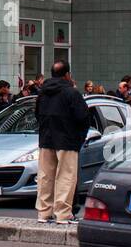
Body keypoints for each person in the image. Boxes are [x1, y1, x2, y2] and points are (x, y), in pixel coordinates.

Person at [33, 60, 91, 225]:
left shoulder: (42, 93)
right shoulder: (71, 93)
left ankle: (44, 213)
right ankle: (63, 214)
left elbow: (37, 115)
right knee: (65, 176)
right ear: (67, 75)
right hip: (67, 140)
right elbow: (83, 118)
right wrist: (79, 137)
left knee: (45, 176)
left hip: (46, 139)